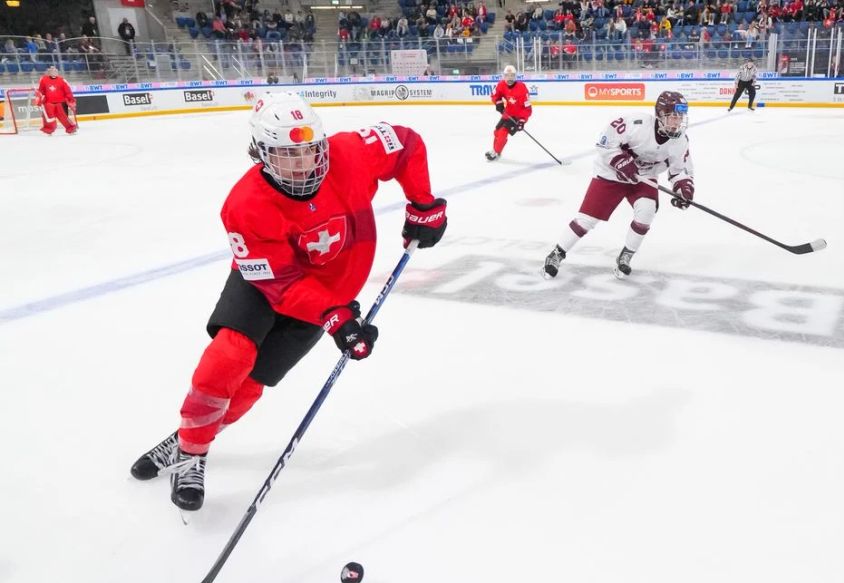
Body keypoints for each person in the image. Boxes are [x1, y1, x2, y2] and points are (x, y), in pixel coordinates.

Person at [128, 92, 448, 511]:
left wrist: (424, 205)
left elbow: (404, 144)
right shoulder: (245, 206)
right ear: (260, 154)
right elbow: (282, 284)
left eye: (311, 150)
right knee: (230, 355)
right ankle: (191, 453)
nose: (305, 163)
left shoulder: (348, 153)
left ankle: (190, 436)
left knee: (250, 386)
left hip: (331, 296)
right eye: (287, 155)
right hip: (268, 283)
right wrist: (336, 318)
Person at [542, 91, 694, 280]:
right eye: (673, 116)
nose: (677, 122)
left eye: (680, 117)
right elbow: (604, 143)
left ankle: (626, 255)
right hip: (610, 174)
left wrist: (684, 190)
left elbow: (679, 171)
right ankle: (557, 253)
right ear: (660, 115)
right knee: (587, 219)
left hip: (644, 178)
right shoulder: (635, 124)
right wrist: (621, 162)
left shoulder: (680, 141)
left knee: (646, 211)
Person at [485, 65, 532, 161]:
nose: (510, 78)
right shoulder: (501, 84)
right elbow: (495, 95)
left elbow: (527, 108)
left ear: (515, 76)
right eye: (507, 75)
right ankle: (496, 150)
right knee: (497, 132)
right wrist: (498, 103)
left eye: (512, 75)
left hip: (518, 116)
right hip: (507, 114)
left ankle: (495, 152)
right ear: (504, 76)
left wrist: (522, 121)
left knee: (502, 133)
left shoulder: (522, 87)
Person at [35, 66, 78, 135]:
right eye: (52, 70)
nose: (54, 72)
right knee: (49, 118)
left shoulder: (62, 80)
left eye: (55, 70)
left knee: (64, 117)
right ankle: (48, 130)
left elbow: (68, 91)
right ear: (48, 72)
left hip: (61, 103)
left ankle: (71, 129)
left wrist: (71, 100)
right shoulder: (43, 79)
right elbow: (41, 90)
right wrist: (39, 98)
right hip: (48, 103)